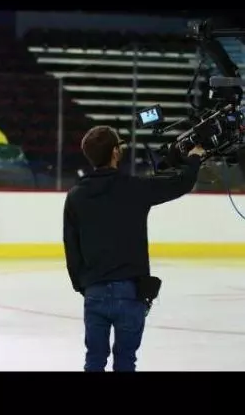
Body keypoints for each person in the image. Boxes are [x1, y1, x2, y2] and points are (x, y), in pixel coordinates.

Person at [63, 125, 204, 372]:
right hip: (130, 292)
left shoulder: (76, 196)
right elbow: (180, 183)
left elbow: (71, 248)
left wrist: (84, 286)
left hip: (95, 290)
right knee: (126, 361)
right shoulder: (134, 187)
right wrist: (193, 159)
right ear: (116, 152)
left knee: (94, 361)